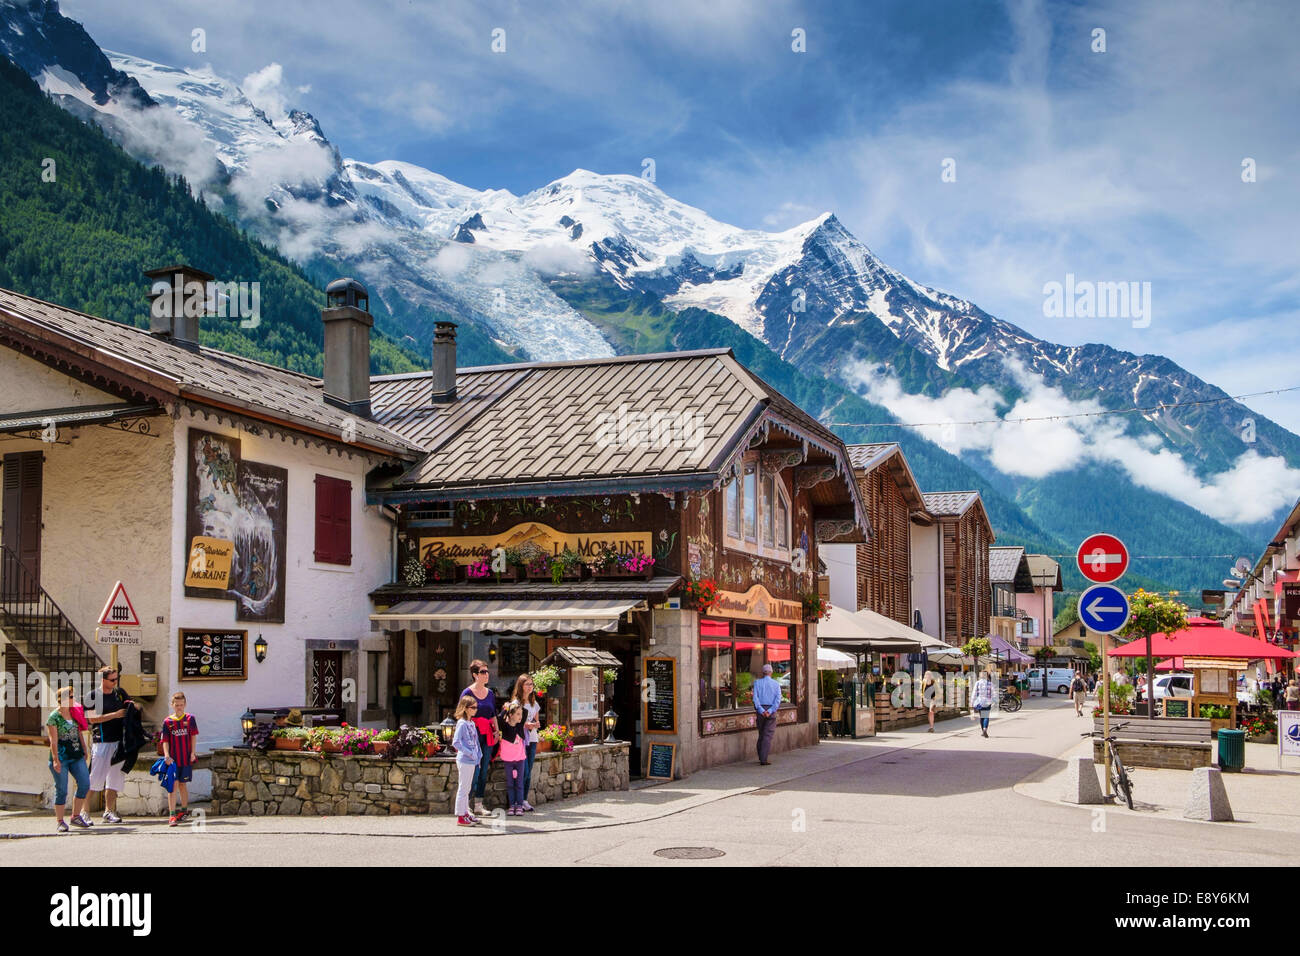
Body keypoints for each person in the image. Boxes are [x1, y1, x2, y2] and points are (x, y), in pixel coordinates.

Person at [84, 665, 139, 824]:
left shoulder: (118, 694)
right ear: (103, 680)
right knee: (94, 778)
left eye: (117, 679)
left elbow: (130, 708)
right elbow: (92, 719)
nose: (116, 682)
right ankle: (84, 811)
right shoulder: (93, 696)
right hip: (101, 741)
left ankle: (109, 811)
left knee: (114, 779)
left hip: (118, 741)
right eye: (112, 679)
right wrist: (115, 715)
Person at [46, 686, 91, 832]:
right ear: (63, 699)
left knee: (84, 783)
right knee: (62, 789)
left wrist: (85, 748)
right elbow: (53, 740)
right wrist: (55, 760)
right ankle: (60, 821)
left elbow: (78, 732)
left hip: (76, 754)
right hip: (62, 756)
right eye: (71, 697)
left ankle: (75, 816)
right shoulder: (54, 717)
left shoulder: (74, 713)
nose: (74, 699)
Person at [461, 660, 500, 815]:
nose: (486, 674)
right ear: (475, 675)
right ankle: (466, 805)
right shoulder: (467, 693)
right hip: (473, 735)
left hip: (487, 735)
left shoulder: (490, 693)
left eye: (487, 671)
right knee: (474, 771)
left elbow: (493, 714)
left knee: (483, 770)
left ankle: (478, 804)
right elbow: (461, 716)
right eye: (483, 672)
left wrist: (497, 731)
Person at [160, 692, 198, 827]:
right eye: (177, 705)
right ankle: (172, 815)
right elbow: (165, 740)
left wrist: (193, 752)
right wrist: (166, 755)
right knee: (173, 785)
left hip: (185, 758)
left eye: (181, 705)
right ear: (172, 705)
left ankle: (184, 810)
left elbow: (193, 736)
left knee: (183, 784)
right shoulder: (167, 722)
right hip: (173, 760)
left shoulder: (190, 719)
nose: (179, 707)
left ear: (185, 704)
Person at [509, 674, 540, 812]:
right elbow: (512, 722)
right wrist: (525, 725)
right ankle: (517, 801)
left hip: (532, 739)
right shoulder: (516, 703)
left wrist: (536, 724)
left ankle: (524, 800)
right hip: (520, 741)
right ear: (521, 686)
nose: (530, 687)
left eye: (531, 684)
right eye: (527, 684)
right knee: (524, 771)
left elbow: (537, 721)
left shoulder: (534, 703)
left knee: (528, 772)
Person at [452, 695, 482, 826]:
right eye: (473, 707)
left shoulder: (471, 723)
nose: (475, 709)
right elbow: (456, 743)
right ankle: (460, 816)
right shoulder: (462, 723)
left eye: (476, 707)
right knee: (463, 789)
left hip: (472, 760)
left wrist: (478, 755)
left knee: (467, 788)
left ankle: (465, 813)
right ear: (465, 708)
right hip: (464, 760)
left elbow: (475, 741)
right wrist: (470, 753)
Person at [498, 700, 528, 816]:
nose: (520, 716)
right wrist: (506, 708)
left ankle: (519, 805)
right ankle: (512, 805)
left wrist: (517, 705)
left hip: (520, 759)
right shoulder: (504, 726)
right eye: (517, 714)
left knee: (519, 783)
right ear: (511, 715)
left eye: (520, 714)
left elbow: (525, 712)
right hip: (508, 760)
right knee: (510, 784)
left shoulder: (520, 725)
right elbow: (500, 718)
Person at [751, 663, 782, 765]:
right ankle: (763, 759)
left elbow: (755, 698)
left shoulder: (757, 683)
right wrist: (770, 711)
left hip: (761, 711)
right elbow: (778, 700)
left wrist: (761, 710)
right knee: (767, 735)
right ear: (771, 673)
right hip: (771, 711)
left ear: (762, 673)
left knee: (761, 733)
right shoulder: (776, 684)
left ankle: (761, 756)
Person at [971, 671, 995, 738]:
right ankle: (985, 729)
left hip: (980, 702)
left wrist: (972, 702)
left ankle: (983, 731)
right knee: (986, 716)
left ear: (980, 676)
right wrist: (993, 701)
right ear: (987, 676)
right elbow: (993, 693)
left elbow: (974, 693)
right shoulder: (990, 684)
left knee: (982, 717)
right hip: (987, 702)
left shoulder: (977, 683)